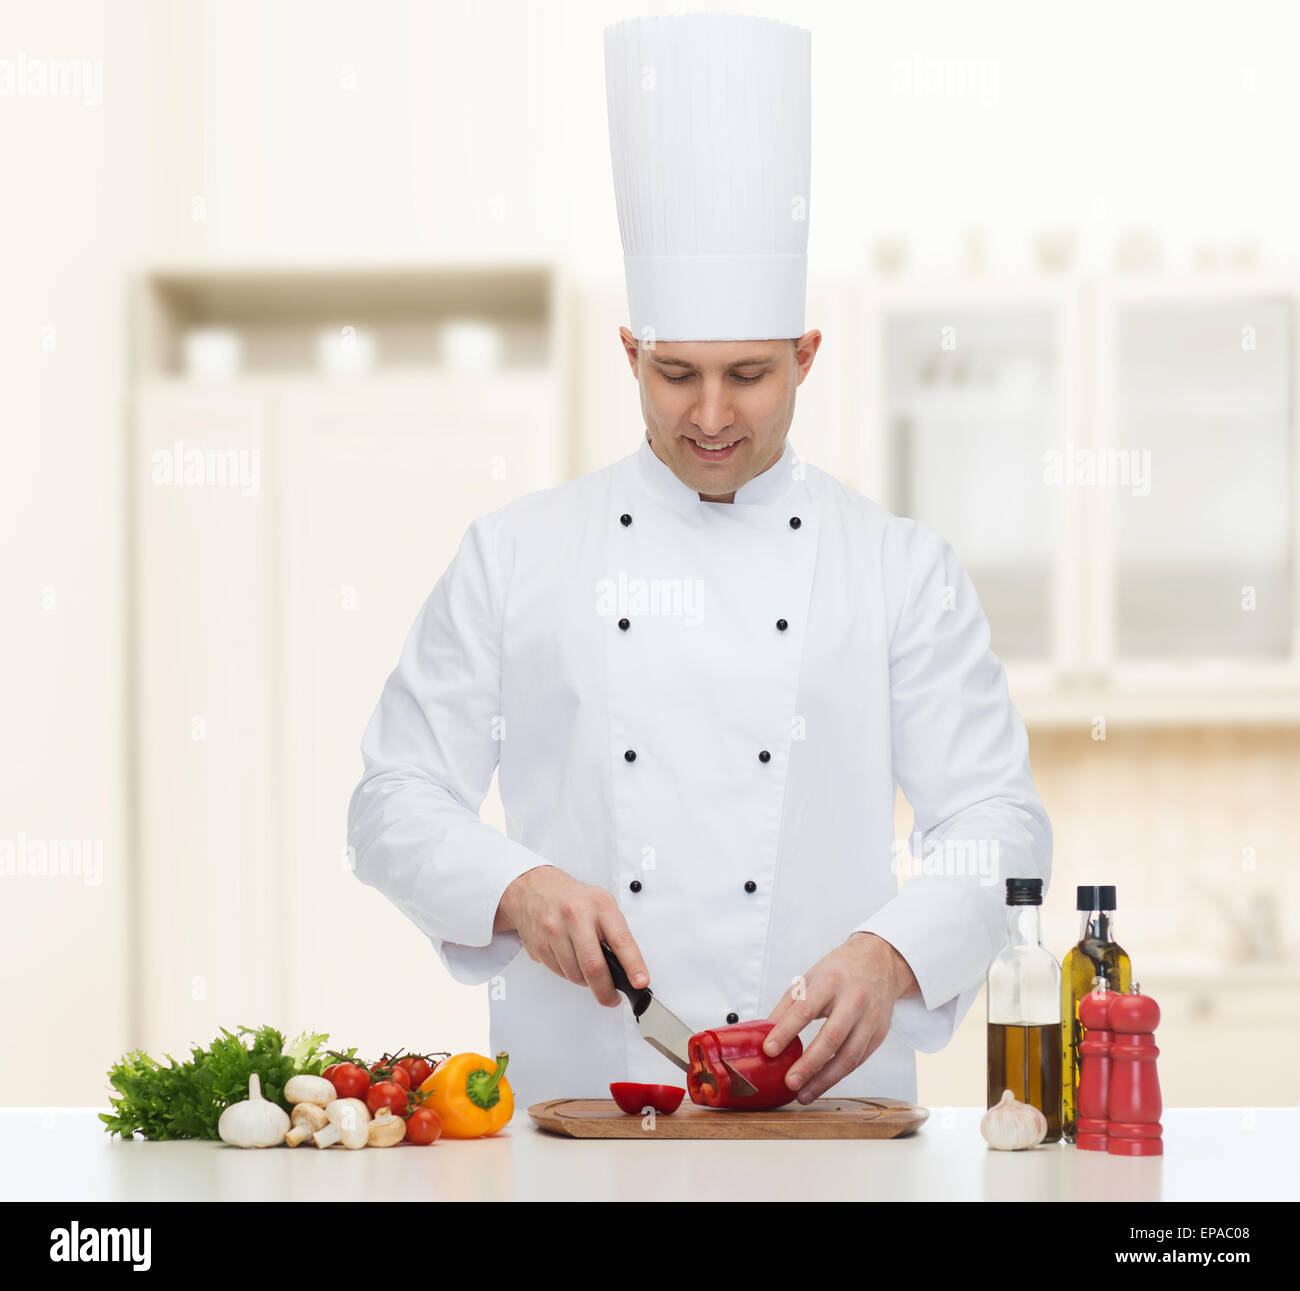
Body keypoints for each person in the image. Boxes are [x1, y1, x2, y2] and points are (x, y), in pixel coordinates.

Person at [346, 12, 1051, 1112]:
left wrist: (894, 953)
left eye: (749, 376)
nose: (711, 416)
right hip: (580, 1112)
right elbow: (391, 800)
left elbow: (998, 823)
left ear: (805, 358)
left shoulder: (898, 568)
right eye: (675, 373)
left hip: (831, 1124)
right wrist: (514, 886)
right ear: (629, 352)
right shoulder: (516, 554)